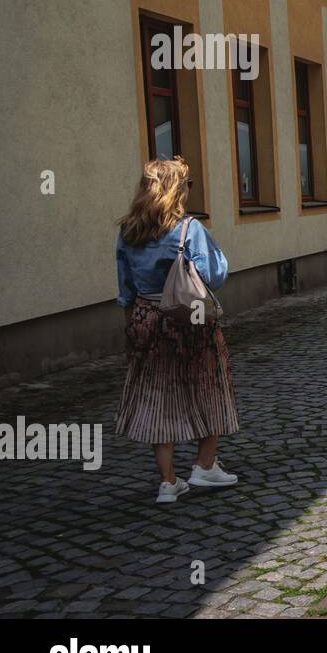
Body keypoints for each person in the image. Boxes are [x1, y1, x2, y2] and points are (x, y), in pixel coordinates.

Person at [115, 158, 239, 504]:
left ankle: (168, 481)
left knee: (158, 395)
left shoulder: (128, 230)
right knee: (209, 385)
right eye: (187, 183)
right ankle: (204, 464)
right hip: (190, 318)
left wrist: (132, 321)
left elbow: (125, 287)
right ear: (177, 190)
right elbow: (215, 276)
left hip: (145, 317)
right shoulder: (189, 229)